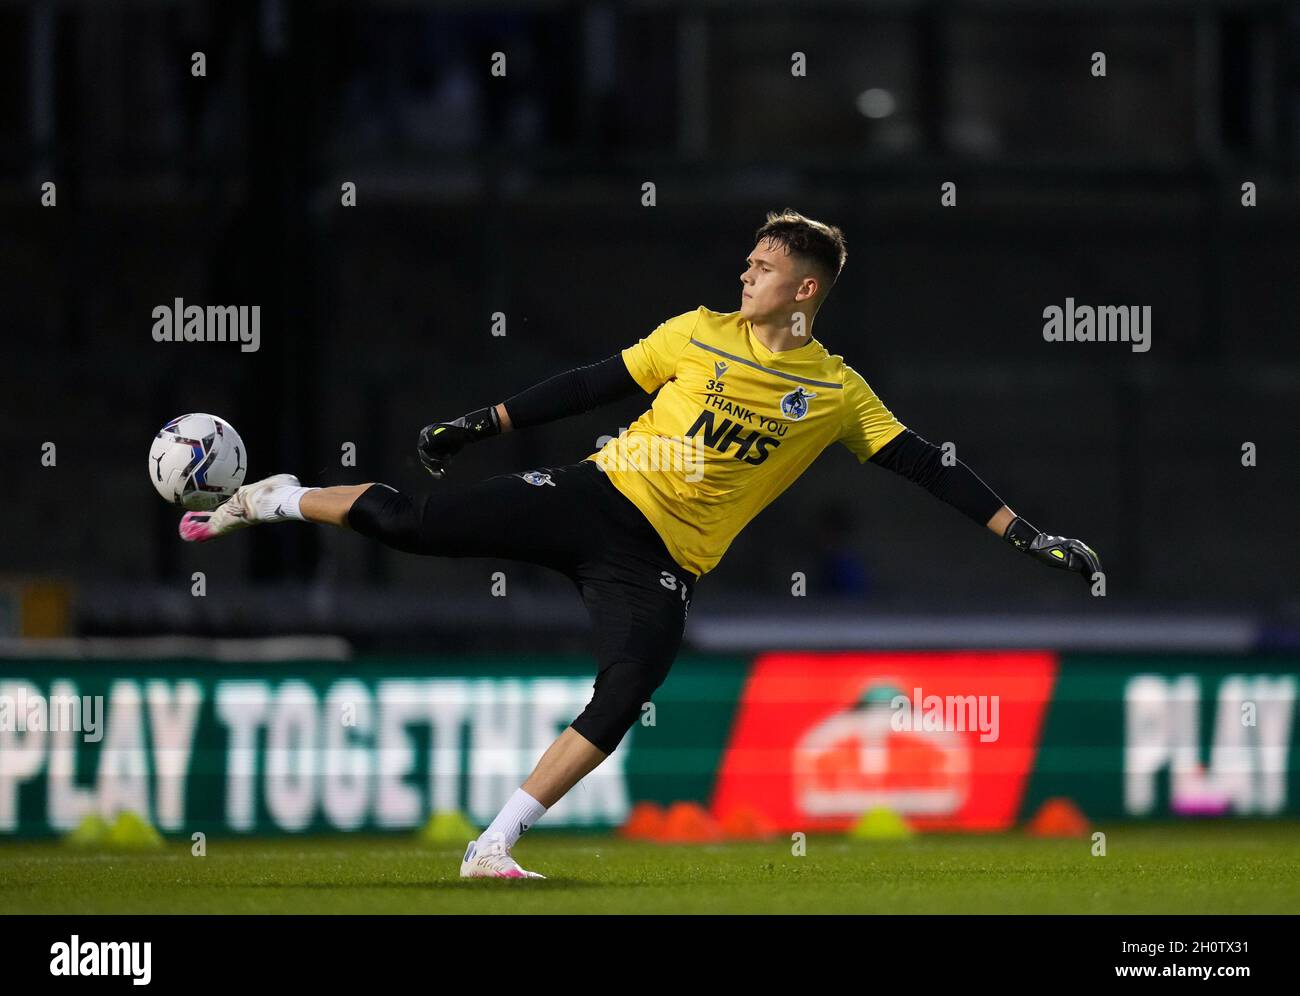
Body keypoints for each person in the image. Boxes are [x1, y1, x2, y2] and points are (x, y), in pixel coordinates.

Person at [179, 208, 1102, 879]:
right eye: (747, 259)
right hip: (593, 495)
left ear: (805, 289)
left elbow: (929, 467)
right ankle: (278, 495)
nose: (745, 272)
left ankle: (491, 843)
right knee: (413, 525)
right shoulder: (695, 333)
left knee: (625, 691)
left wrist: (1027, 535)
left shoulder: (835, 393)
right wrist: (479, 422)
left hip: (659, 563)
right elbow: (591, 384)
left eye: (763, 264)